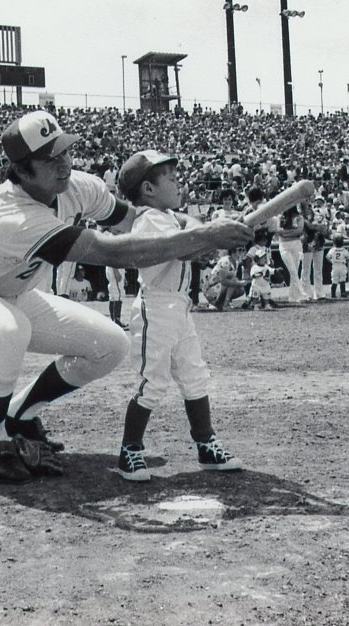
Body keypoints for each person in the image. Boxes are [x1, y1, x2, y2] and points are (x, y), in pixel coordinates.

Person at [0, 111, 251, 484]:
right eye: (50, 158)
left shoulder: (78, 186)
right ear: (22, 169)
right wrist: (204, 236)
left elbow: (140, 220)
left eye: (65, 150)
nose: (64, 163)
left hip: (15, 293)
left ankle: (21, 414)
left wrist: (197, 229)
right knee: (7, 329)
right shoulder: (13, 215)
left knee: (109, 344)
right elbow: (114, 253)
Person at [112, 150, 244, 482]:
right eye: (169, 178)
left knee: (194, 374)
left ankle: (205, 444)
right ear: (148, 189)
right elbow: (181, 247)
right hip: (155, 307)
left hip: (179, 306)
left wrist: (216, 234)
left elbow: (192, 237)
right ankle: (130, 449)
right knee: (153, 382)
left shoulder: (172, 217)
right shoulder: (149, 220)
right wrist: (212, 235)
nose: (177, 182)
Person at [325, 233, 349, 298]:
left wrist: (331, 261)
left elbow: (327, 257)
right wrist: (346, 261)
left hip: (335, 266)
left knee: (334, 280)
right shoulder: (344, 250)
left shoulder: (332, 250)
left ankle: (333, 294)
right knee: (342, 279)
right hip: (342, 266)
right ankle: (343, 293)